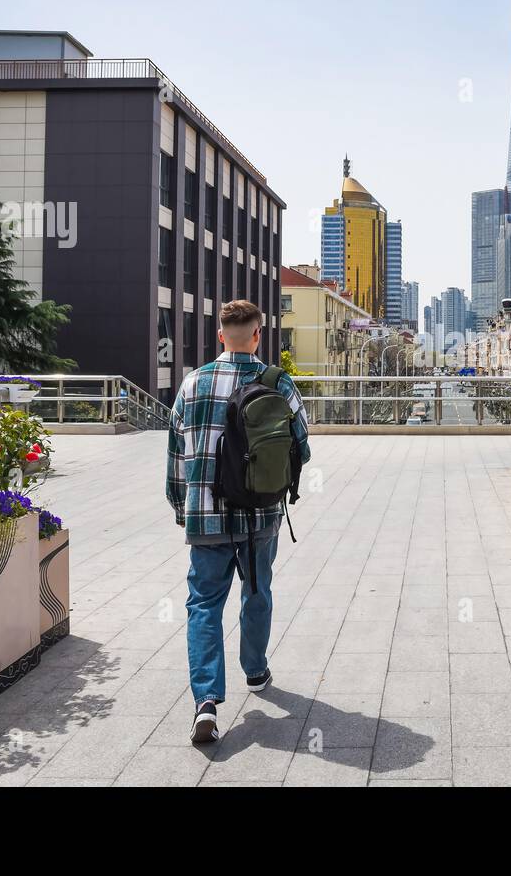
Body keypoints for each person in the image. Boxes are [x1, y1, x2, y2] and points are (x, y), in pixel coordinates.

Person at [166, 300, 311, 745]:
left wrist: (182, 506)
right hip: (259, 513)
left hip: (205, 515)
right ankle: (255, 670)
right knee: (256, 591)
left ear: (219, 335)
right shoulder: (277, 382)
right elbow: (301, 447)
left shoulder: (192, 383)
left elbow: (176, 453)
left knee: (205, 603)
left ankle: (206, 702)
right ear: (258, 334)